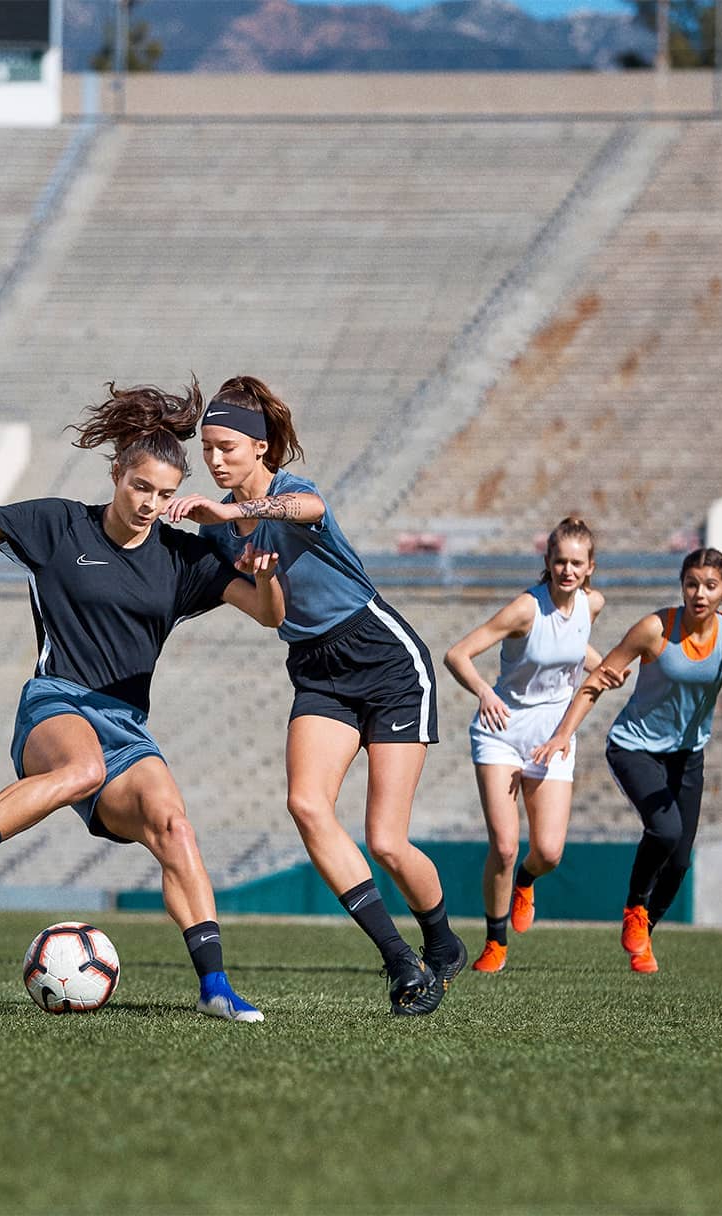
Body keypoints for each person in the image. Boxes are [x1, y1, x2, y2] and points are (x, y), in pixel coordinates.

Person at [0, 380, 282, 1024]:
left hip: (127, 725)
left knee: (173, 826)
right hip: (55, 702)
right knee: (82, 770)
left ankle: (215, 987)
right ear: (116, 474)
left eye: (163, 494)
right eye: (140, 488)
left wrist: (265, 578)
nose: (151, 504)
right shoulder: (57, 524)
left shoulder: (182, 558)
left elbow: (269, 616)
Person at [166, 375, 466, 1016]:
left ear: (260, 448)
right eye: (208, 448)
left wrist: (233, 513)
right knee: (306, 805)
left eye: (226, 447)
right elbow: (262, 609)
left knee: (386, 840)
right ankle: (401, 962)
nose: (215, 460)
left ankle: (441, 939)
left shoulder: (286, 491)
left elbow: (311, 511)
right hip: (316, 666)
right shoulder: (219, 530)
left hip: (384, 657)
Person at [538, 547, 722, 973]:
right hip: (634, 746)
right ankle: (635, 907)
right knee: (665, 831)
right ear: (682, 586)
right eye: (692, 584)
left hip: (687, 756)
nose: (699, 594)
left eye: (710, 586)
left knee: (682, 859)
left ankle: (644, 935)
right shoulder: (655, 628)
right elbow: (598, 678)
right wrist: (563, 733)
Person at [443, 517, 617, 973]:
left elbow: (575, 646)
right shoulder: (525, 608)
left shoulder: (591, 604)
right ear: (548, 562)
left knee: (549, 853)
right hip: (502, 731)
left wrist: (605, 667)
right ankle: (495, 942)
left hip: (554, 737)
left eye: (577, 563)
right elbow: (457, 654)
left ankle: (526, 881)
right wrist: (484, 691)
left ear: (590, 567)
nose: (567, 570)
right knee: (503, 846)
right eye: (560, 561)